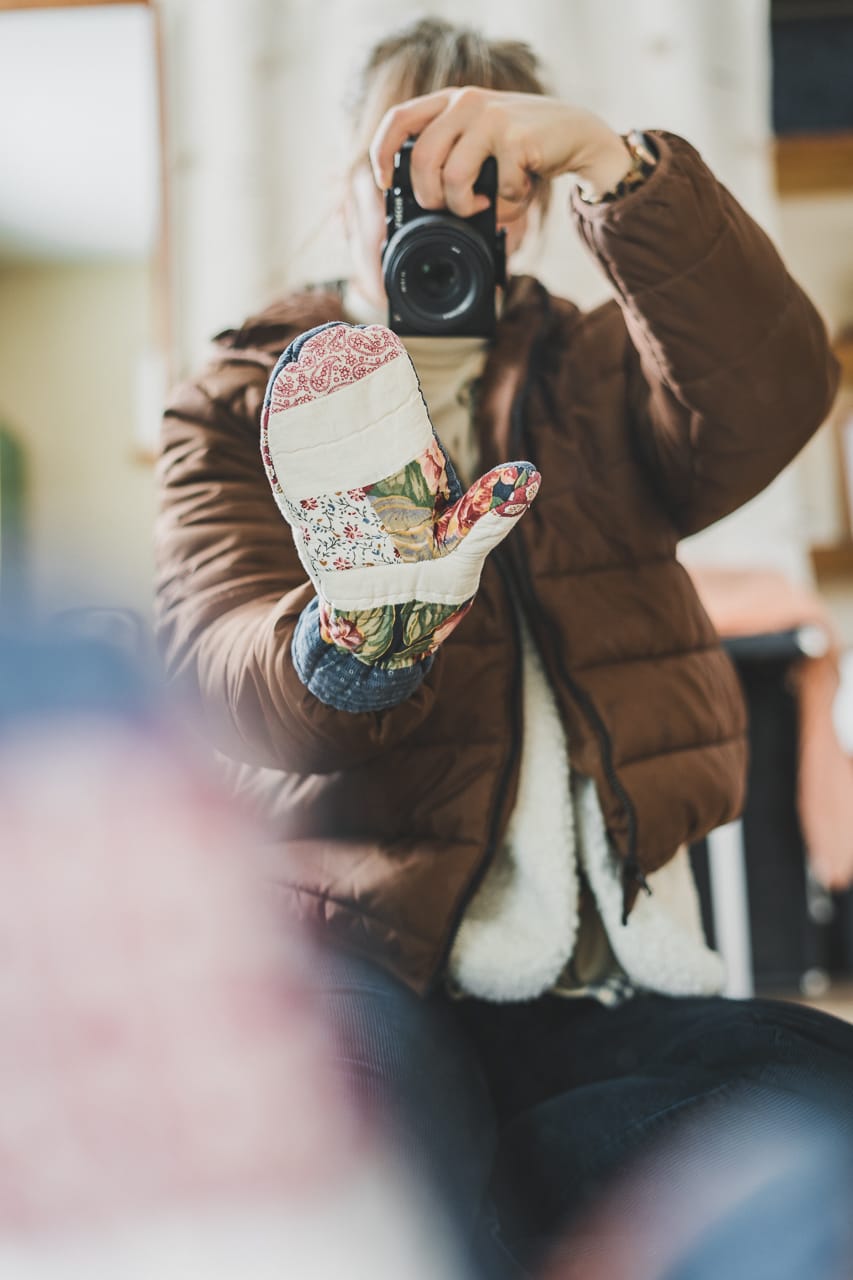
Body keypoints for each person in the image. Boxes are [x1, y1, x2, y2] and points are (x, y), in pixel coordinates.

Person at [155, 18, 853, 1277]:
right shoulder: (241, 396)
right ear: (341, 182)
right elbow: (222, 667)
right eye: (405, 174)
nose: (450, 212)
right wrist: (355, 637)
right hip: (368, 956)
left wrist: (614, 160)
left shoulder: (601, 365)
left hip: (607, 985)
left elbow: (781, 389)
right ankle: (523, 1189)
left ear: (527, 198)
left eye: (491, 178)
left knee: (820, 1106)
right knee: (374, 1162)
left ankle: (488, 1184)